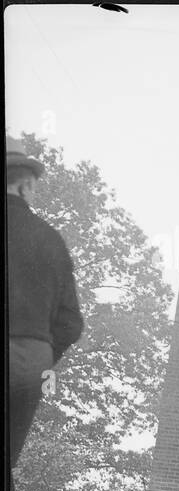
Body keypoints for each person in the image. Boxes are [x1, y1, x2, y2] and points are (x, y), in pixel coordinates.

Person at [7, 136, 83, 470]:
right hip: (32, 359)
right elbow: (71, 322)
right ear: (24, 187)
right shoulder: (51, 239)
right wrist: (42, 354)